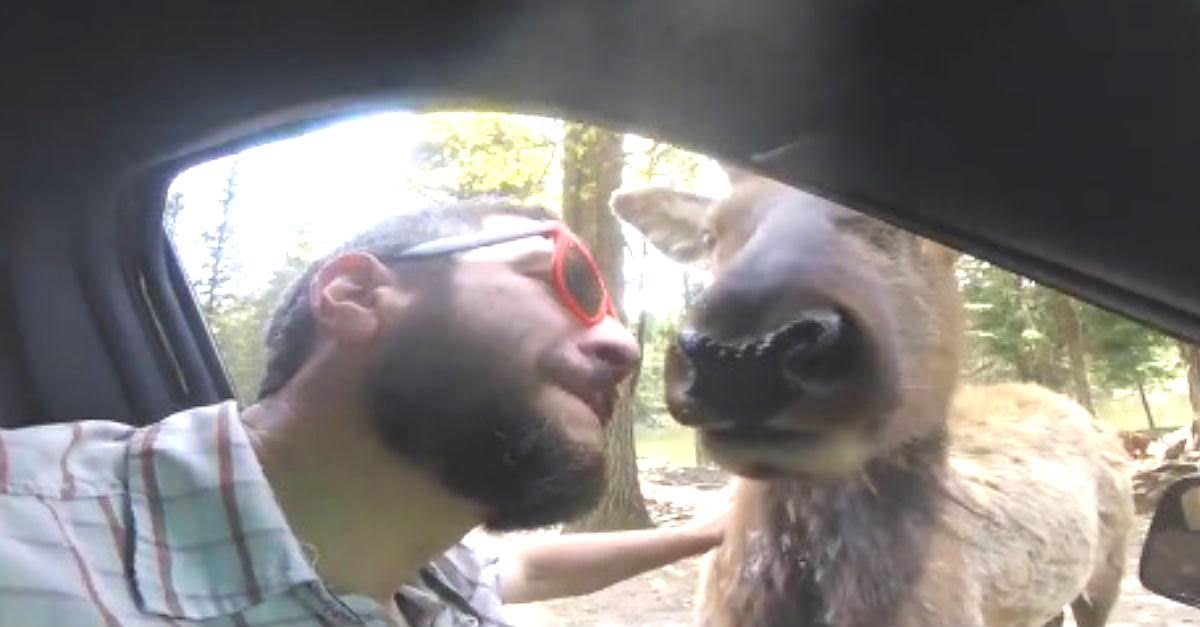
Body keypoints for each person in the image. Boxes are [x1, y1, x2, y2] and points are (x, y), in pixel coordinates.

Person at [0, 201, 724, 627]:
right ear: (355, 295)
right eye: (567, 280)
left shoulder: (427, 573)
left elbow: (526, 567)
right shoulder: (26, 535)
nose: (624, 345)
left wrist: (705, 533)